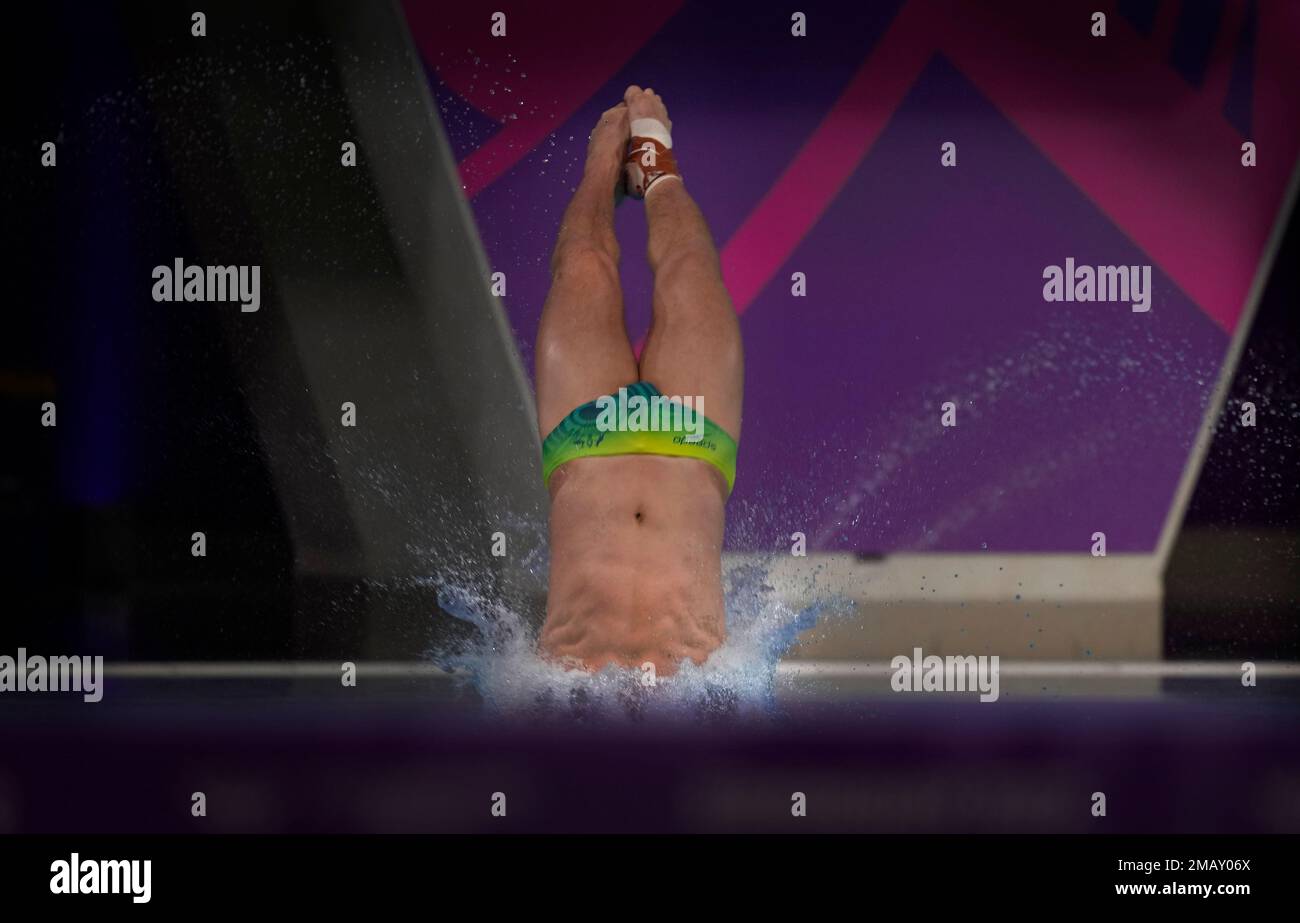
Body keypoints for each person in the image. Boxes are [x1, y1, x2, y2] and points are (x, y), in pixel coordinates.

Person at [535, 86, 743, 674]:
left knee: (582, 267)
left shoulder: (549, 708)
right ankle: (651, 151)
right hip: (690, 445)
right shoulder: (713, 710)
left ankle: (604, 164)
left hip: (587, 446)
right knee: (692, 270)